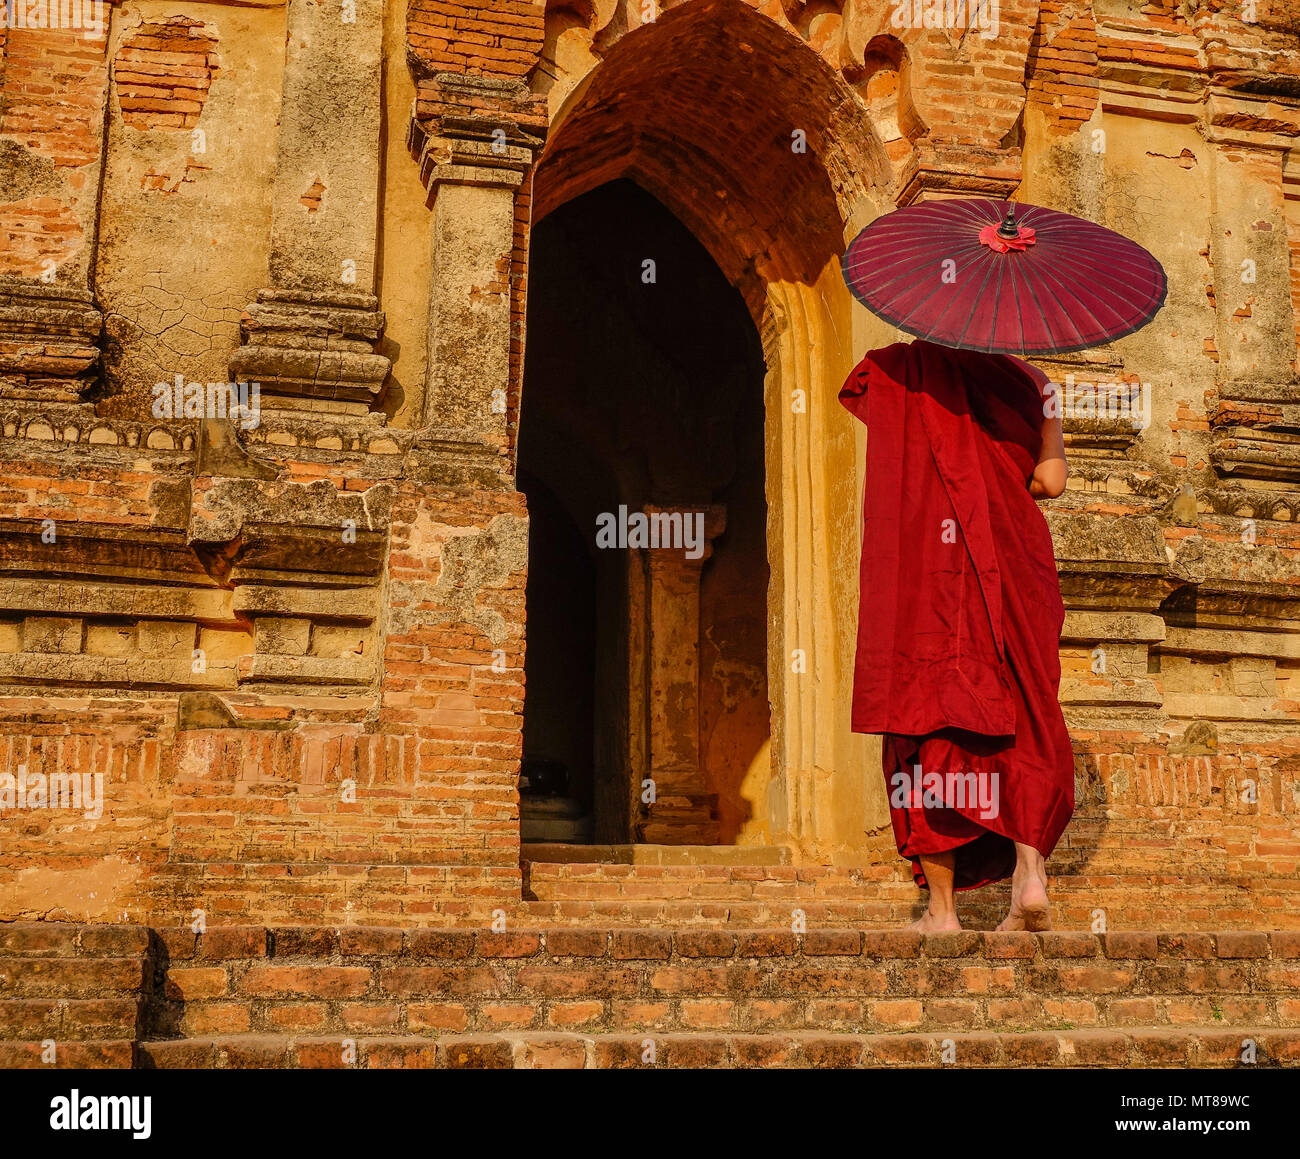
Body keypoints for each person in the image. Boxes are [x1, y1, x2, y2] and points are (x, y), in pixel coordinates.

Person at [840, 338, 1073, 932]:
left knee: (925, 713)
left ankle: (942, 911)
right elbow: (1050, 482)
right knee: (1026, 709)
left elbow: (883, 431)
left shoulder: (903, 369)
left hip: (931, 569)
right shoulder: (1035, 380)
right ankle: (1030, 876)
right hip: (1014, 557)